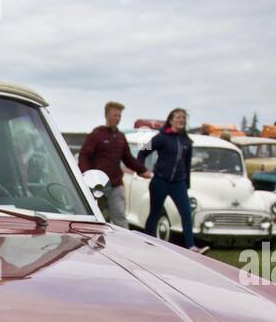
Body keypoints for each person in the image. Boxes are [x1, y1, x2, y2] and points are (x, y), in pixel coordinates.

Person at [78, 101, 150, 229]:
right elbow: (84, 156)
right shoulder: (96, 135)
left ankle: (125, 245)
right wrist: (87, 177)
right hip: (97, 186)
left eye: (119, 116)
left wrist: (143, 171)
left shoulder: (120, 137)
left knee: (120, 217)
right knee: (95, 218)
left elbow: (128, 158)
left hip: (116, 185)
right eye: (115, 115)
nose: (117, 119)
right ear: (107, 116)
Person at [138, 107, 197, 249]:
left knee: (186, 213)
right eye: (178, 117)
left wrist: (186, 184)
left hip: (178, 184)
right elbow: (143, 152)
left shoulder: (186, 142)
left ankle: (191, 246)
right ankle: (148, 243)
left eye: (183, 118)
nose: (181, 120)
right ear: (171, 120)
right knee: (155, 213)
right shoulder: (161, 137)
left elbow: (187, 164)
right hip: (160, 181)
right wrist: (141, 169)